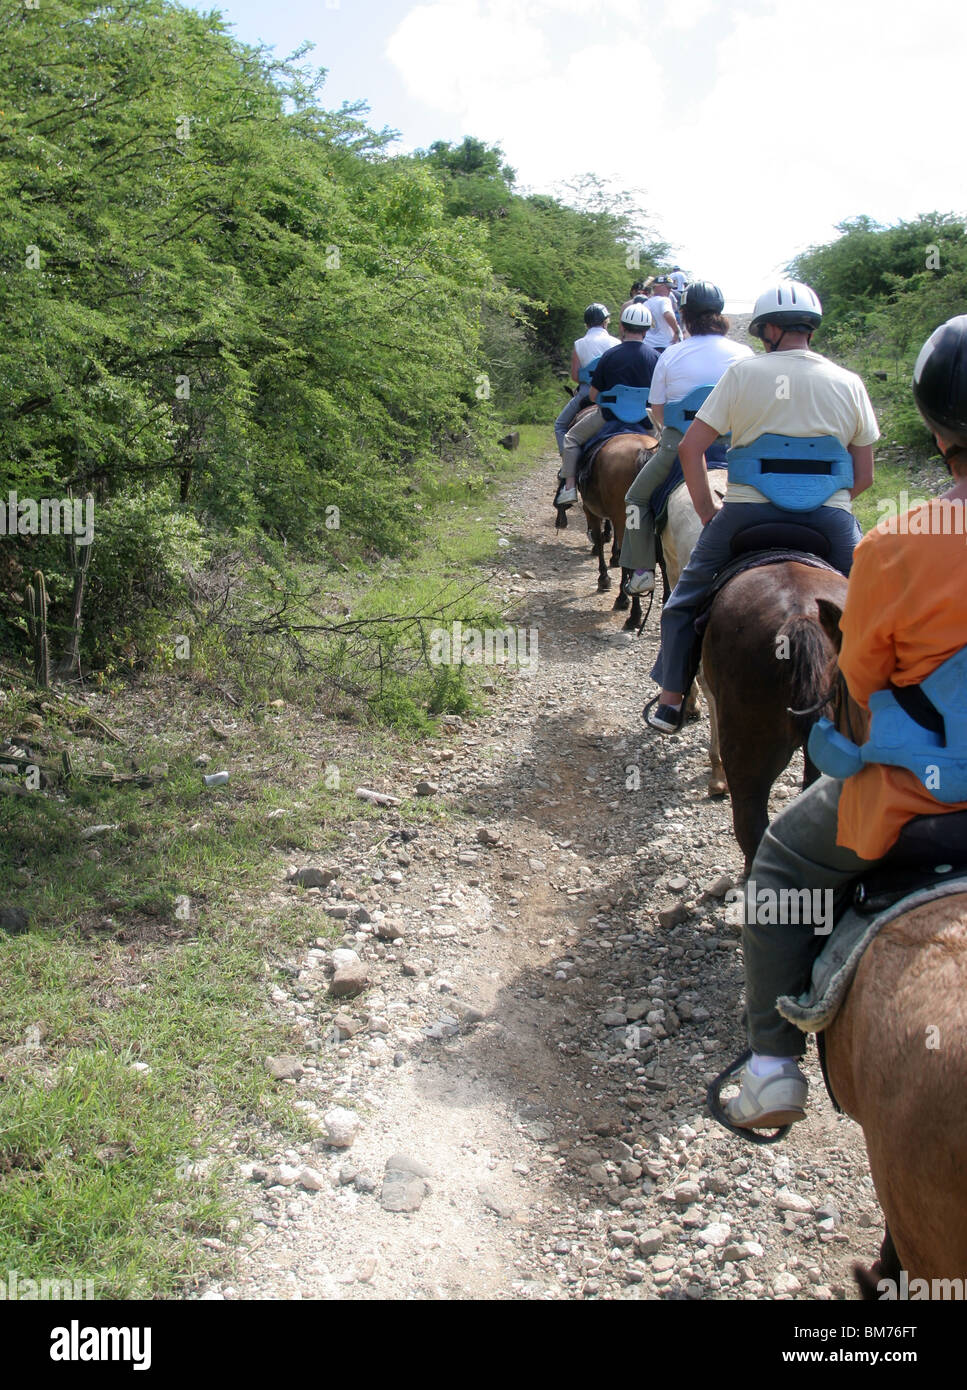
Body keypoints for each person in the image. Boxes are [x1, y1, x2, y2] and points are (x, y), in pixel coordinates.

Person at [723, 314, 967, 1130]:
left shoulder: (900, 544)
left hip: (922, 800)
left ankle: (770, 1070)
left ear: (935, 432)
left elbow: (856, 681)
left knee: (783, 867)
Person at [646, 279, 878, 732]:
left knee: (683, 598)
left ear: (768, 330)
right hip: (829, 521)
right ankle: (889, 707)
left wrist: (709, 511)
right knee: (881, 601)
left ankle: (672, 699)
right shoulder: (849, 383)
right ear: (811, 327)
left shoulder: (743, 375)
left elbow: (691, 450)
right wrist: (826, 501)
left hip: (747, 514)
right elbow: (864, 475)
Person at [620, 281, 753, 594]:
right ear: (720, 314)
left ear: (684, 315)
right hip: (738, 447)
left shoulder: (671, 354)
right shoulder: (745, 353)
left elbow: (657, 409)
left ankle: (641, 571)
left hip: (679, 445)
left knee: (635, 500)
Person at [557, 302, 659, 505]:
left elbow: (594, 396)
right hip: (645, 418)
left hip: (608, 416)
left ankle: (569, 487)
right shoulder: (656, 357)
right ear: (647, 330)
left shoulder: (610, 355)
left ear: (622, 327)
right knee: (666, 449)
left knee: (571, 438)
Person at [553, 304, 620, 456]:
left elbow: (575, 376)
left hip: (586, 393)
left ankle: (567, 462)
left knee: (560, 425)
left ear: (587, 323)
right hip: (614, 396)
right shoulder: (616, 343)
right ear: (605, 321)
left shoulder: (579, 344)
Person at [644, 276, 683, 354]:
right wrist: (676, 331)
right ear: (660, 286)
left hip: (648, 345)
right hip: (664, 344)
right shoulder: (664, 300)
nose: (670, 291)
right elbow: (667, 314)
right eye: (668, 288)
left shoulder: (646, 303)